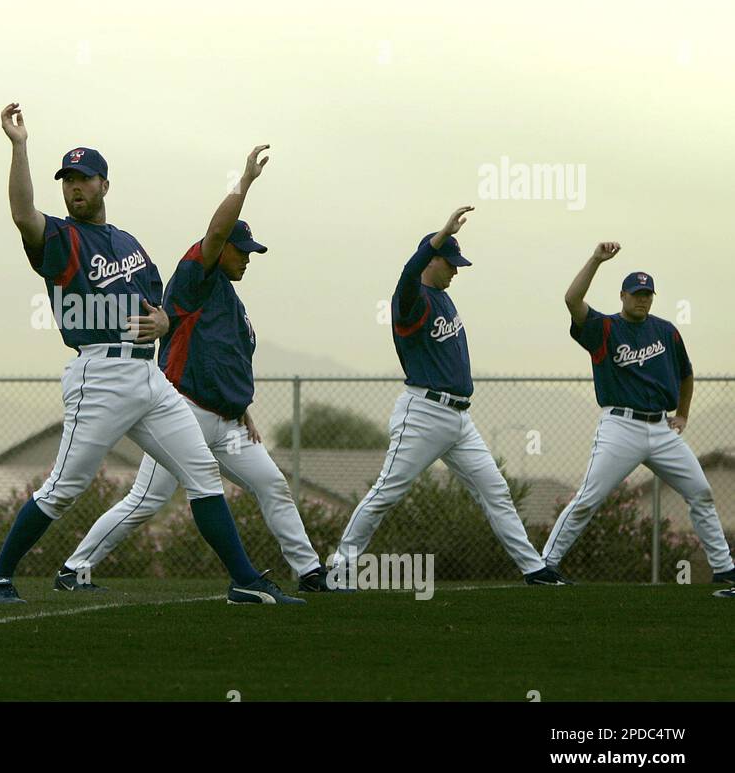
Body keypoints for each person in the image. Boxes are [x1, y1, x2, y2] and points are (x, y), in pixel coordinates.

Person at [0, 104, 302, 605]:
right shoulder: (62, 239)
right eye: (67, 180)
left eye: (83, 178)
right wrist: (20, 147)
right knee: (65, 487)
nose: (73, 187)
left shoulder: (129, 243)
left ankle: (243, 580)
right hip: (98, 373)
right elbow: (23, 214)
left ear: (105, 184)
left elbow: (165, 310)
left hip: (148, 376)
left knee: (202, 472)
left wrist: (165, 322)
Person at [58, 148, 327, 593]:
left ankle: (312, 573)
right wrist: (245, 183)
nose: (247, 258)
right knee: (145, 501)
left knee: (272, 484)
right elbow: (218, 230)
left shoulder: (231, 302)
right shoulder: (195, 280)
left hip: (227, 420)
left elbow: (227, 361)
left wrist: (242, 408)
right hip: (184, 411)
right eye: (241, 251)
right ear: (220, 252)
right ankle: (74, 569)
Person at [328, 206, 565, 586]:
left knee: (496, 490)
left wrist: (442, 244)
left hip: (459, 419)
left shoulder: (443, 297)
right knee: (387, 492)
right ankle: (339, 569)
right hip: (423, 413)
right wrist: (439, 235)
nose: (456, 270)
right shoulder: (412, 299)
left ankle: (534, 569)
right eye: (450, 262)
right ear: (432, 259)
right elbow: (407, 274)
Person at [543, 244, 734, 584]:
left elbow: (686, 374)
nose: (642, 300)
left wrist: (683, 415)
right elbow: (571, 300)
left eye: (647, 294)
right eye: (636, 294)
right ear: (622, 296)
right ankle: (545, 565)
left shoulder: (666, 331)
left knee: (700, 492)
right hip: (620, 426)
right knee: (588, 499)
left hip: (661, 428)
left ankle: (723, 568)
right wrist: (596, 260)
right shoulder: (604, 328)